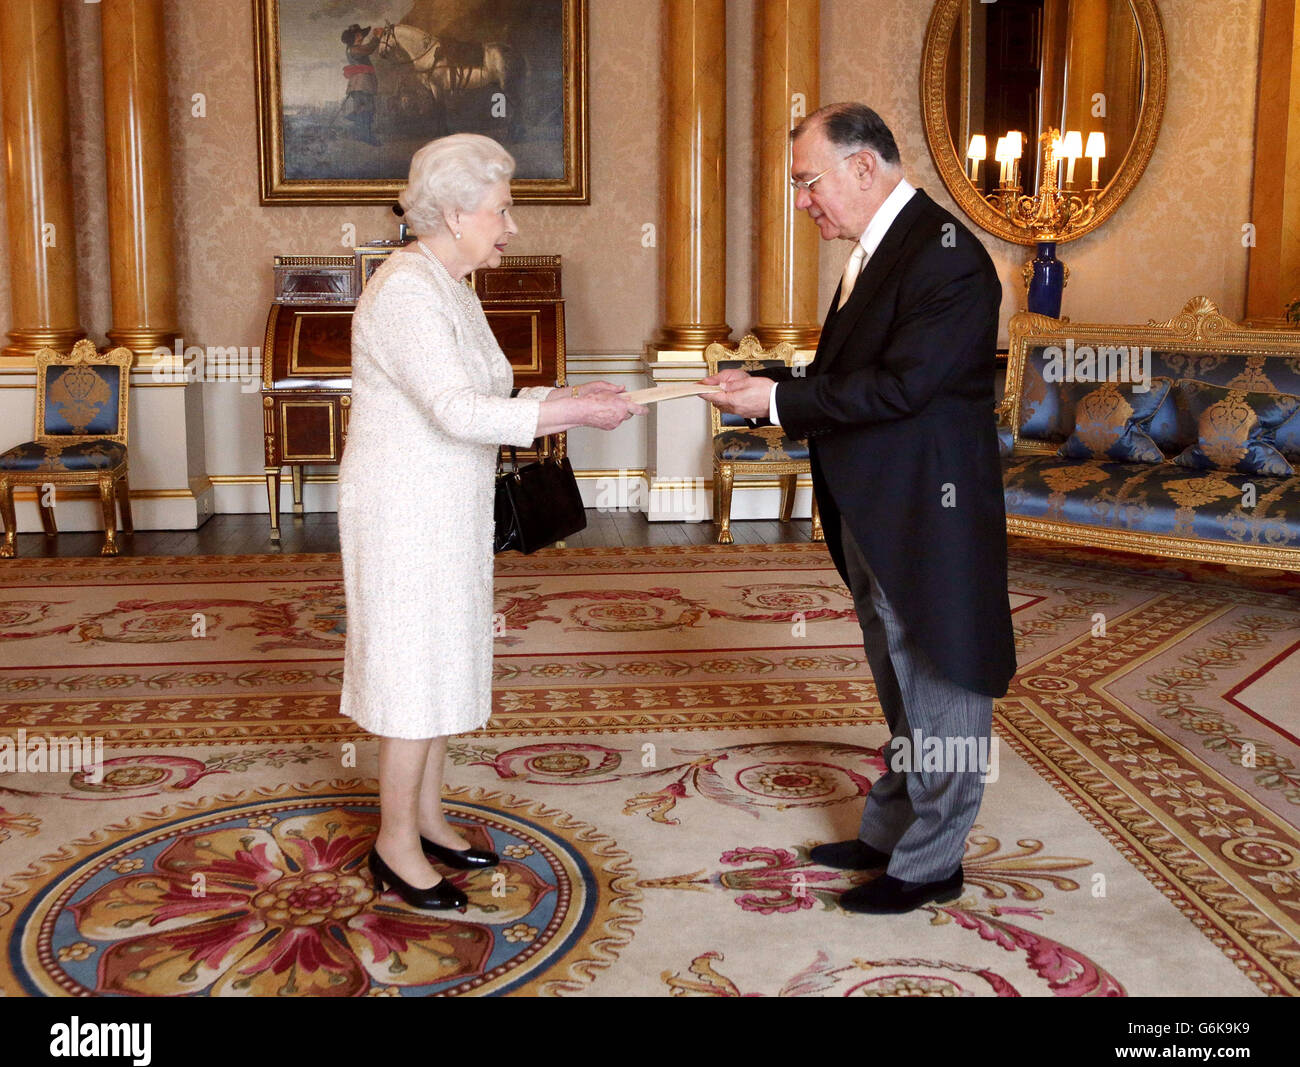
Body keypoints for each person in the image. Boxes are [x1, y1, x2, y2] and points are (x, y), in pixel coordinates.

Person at [702, 102, 1016, 914]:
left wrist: (777, 402)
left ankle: (933, 861)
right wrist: (771, 386)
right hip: (882, 505)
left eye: (809, 182)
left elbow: (904, 386)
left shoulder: (947, 256)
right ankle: (888, 832)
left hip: (928, 510)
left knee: (943, 679)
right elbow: (861, 370)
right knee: (899, 677)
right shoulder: (882, 249)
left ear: (864, 167)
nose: (804, 200)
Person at [338, 133, 645, 909]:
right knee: (412, 669)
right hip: (404, 513)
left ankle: (430, 818)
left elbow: (486, 393)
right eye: (502, 210)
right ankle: (393, 843)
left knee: (443, 660)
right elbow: (454, 409)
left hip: (449, 506)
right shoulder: (407, 289)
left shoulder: (453, 284)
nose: (511, 226)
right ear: (452, 212)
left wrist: (577, 394)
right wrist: (570, 410)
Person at [341, 24, 380, 145]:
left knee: (362, 109)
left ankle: (361, 134)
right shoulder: (355, 49)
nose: (360, 37)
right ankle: (366, 137)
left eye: (361, 35)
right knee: (366, 109)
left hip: (359, 84)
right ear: (351, 39)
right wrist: (377, 37)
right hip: (361, 84)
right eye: (357, 36)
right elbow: (369, 49)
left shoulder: (353, 49)